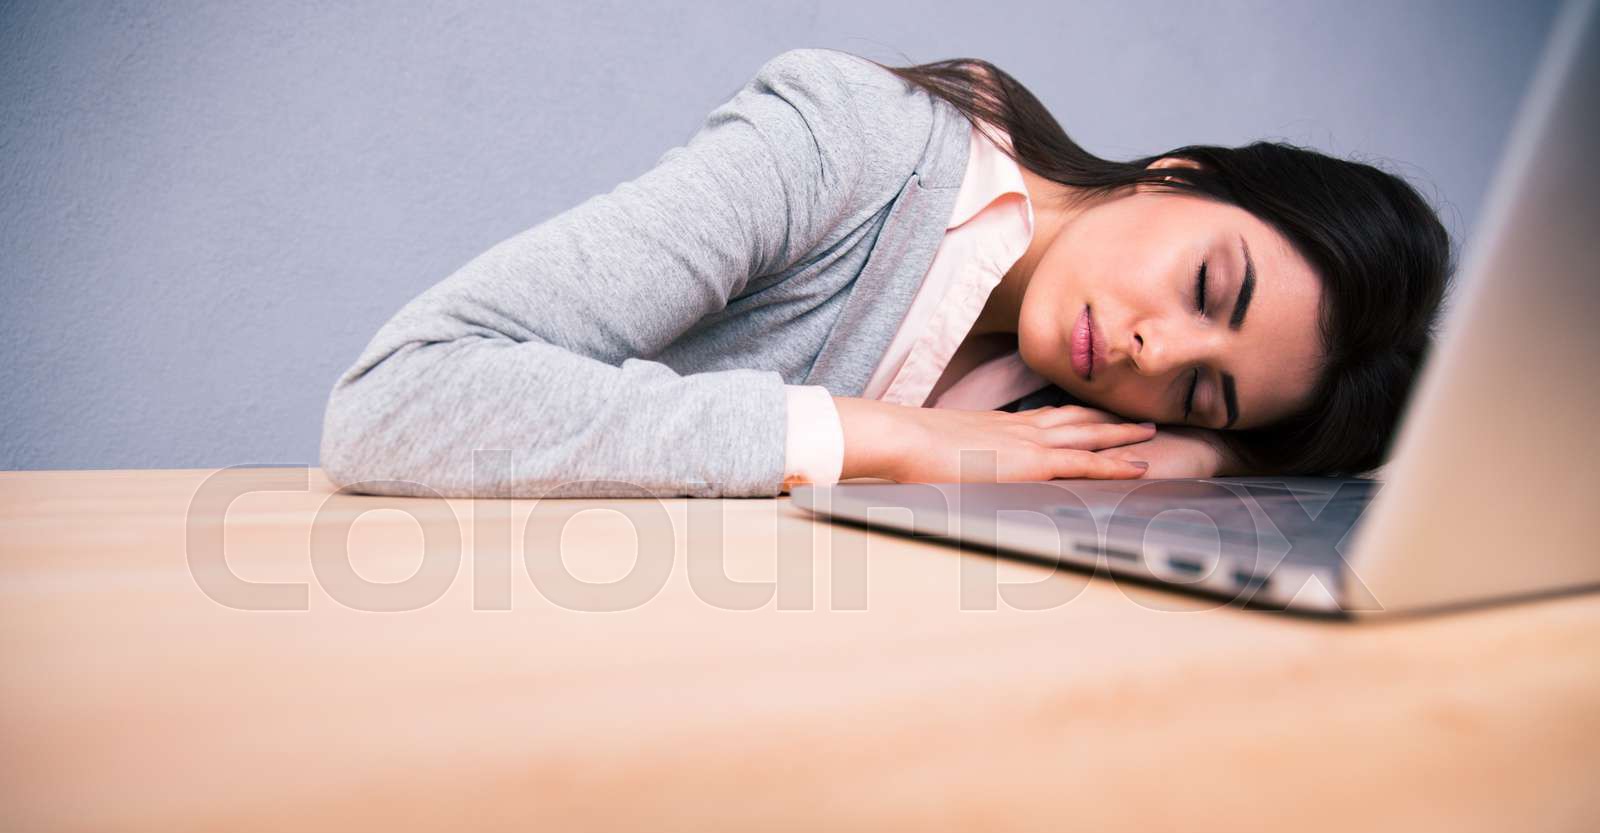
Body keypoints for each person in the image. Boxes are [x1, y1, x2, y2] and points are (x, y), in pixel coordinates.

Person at [318, 48, 1452, 499]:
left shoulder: (1056, 402)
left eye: (1203, 386)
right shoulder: (851, 143)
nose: (1159, 351)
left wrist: (1204, 451)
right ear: (1179, 174)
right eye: (1210, 289)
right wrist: (885, 436)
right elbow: (396, 400)